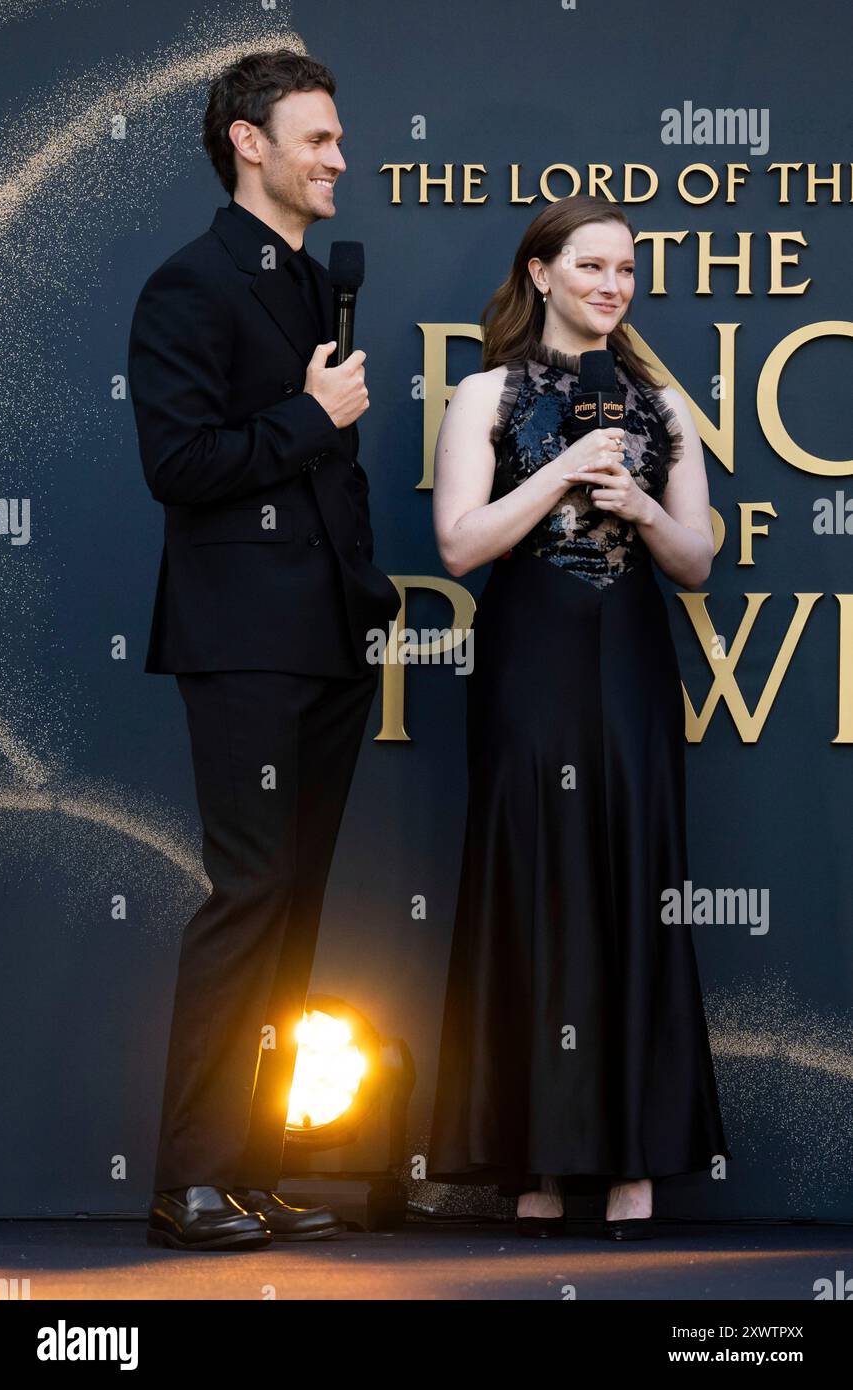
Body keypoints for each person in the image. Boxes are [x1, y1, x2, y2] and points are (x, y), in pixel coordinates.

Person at [127, 49, 400, 1251]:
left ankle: (246, 1168)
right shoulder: (190, 286)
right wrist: (308, 418)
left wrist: (368, 597)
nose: (341, 157)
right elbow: (177, 467)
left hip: (327, 639)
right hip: (243, 643)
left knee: (289, 911)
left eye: (339, 138)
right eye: (320, 138)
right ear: (250, 142)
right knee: (249, 899)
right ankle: (185, 1179)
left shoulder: (302, 287)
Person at [426, 193, 731, 1240]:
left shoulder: (660, 405)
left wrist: (643, 509)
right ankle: (536, 1157)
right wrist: (558, 468)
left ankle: (632, 1158)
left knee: (635, 882)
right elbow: (459, 545)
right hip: (528, 662)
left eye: (626, 270)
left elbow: (696, 564)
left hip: (631, 663)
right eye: (592, 266)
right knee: (532, 878)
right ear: (540, 273)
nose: (612, 286)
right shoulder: (485, 395)